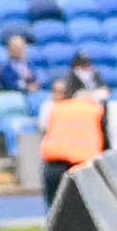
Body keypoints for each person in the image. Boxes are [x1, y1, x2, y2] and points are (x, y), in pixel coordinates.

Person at [39, 76, 106, 206]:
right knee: (80, 208)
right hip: (81, 163)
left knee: (54, 206)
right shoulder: (96, 110)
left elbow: (46, 129)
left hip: (53, 161)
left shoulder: (58, 108)